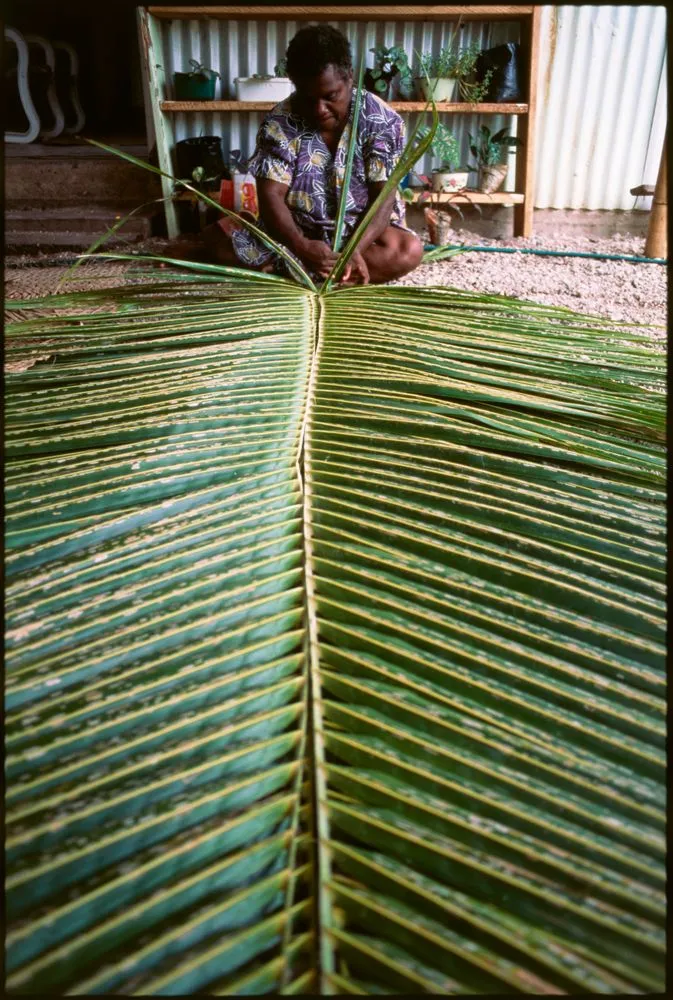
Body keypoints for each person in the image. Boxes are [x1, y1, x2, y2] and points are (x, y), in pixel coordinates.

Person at [174, 24, 423, 285]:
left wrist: (355, 250)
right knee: (218, 244)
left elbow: (383, 199)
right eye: (307, 97)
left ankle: (294, 271)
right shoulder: (279, 123)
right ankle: (324, 273)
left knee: (407, 251)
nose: (319, 109)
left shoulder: (380, 120)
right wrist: (302, 245)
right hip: (296, 233)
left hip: (361, 232)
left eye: (331, 96)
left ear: (349, 77)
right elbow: (271, 196)